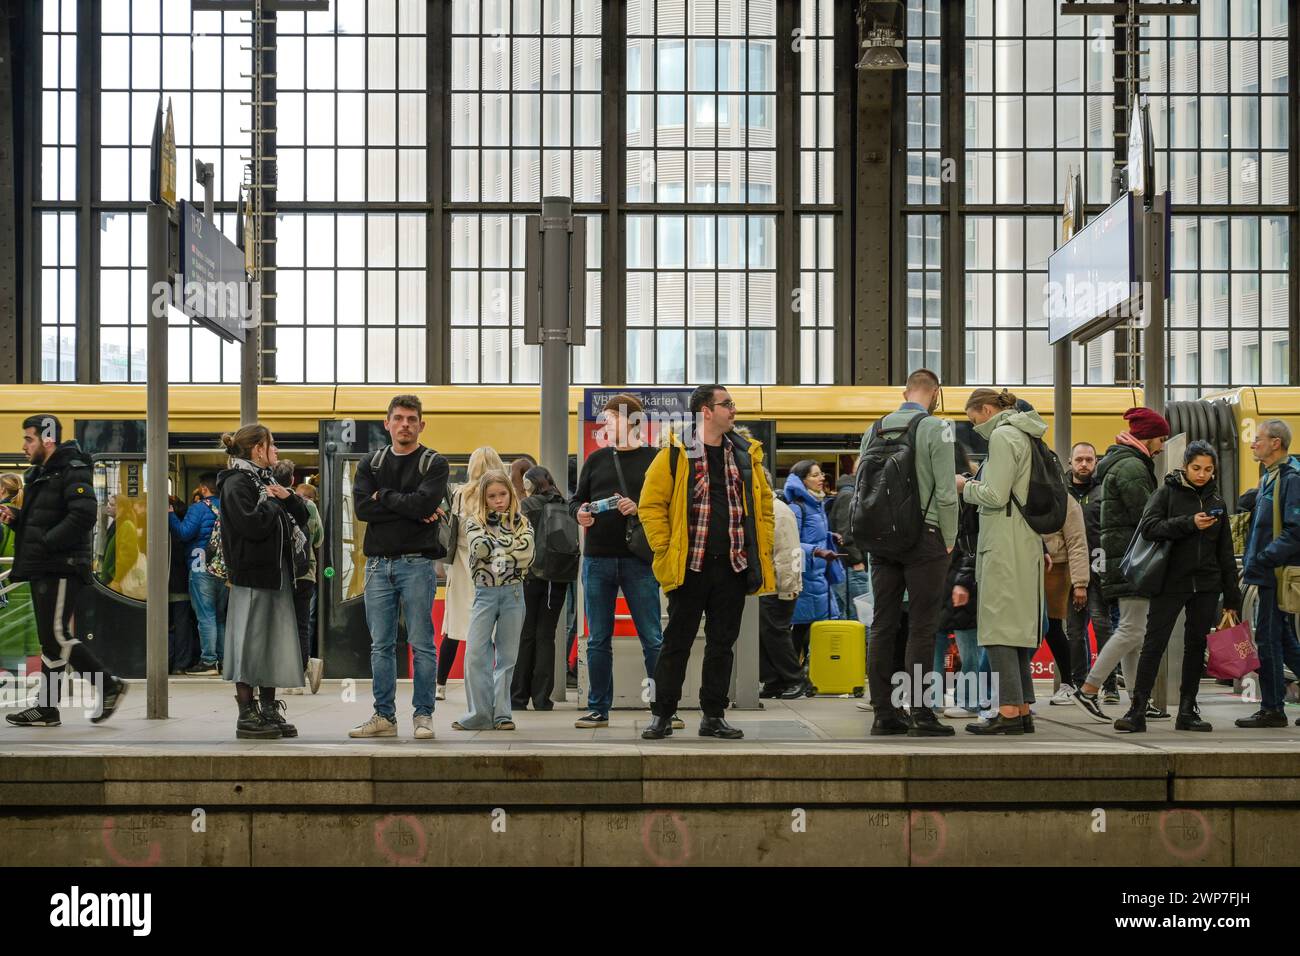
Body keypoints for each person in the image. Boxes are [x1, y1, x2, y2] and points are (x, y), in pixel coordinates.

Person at [638, 384, 775, 740]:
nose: (733, 409)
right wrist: (665, 549)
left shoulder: (746, 455)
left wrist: (762, 548)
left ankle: (713, 715)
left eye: (732, 403)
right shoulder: (676, 454)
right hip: (690, 566)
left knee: (721, 645)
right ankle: (663, 714)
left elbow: (763, 508)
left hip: (732, 566)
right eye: (726, 404)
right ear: (705, 411)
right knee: (676, 643)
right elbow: (650, 506)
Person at [3, 415, 129, 727]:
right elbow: (48, 517)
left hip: (60, 566)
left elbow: (84, 514)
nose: (23, 446)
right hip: (44, 565)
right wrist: (17, 519)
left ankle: (108, 684)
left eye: (29, 439)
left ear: (48, 439)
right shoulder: (43, 474)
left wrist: (46, 543)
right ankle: (47, 708)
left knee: (57, 634)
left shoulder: (72, 468)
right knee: (50, 640)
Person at [1114, 441, 1242, 732]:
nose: (1202, 474)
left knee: (1196, 646)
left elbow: (1225, 551)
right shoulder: (1166, 493)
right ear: (1185, 466)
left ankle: (1187, 710)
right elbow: (1149, 528)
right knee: (1154, 643)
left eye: (1208, 469)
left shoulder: (1217, 501)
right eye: (1197, 468)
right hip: (1170, 581)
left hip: (1207, 584)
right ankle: (1137, 709)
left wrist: (1231, 596)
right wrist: (1189, 523)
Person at [858, 368, 958, 738]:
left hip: (881, 540)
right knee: (922, 626)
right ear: (935, 394)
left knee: (883, 625)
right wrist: (949, 537)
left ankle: (883, 713)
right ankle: (920, 712)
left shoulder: (875, 428)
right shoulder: (937, 427)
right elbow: (947, 491)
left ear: (905, 392)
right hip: (925, 536)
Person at [347, 395, 449, 740]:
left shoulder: (434, 463)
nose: (405, 424)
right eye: (399, 418)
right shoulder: (370, 463)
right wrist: (408, 507)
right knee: (381, 645)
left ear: (421, 424)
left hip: (417, 564)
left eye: (411, 419)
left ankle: (423, 715)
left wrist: (383, 497)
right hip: (378, 565)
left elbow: (425, 502)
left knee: (422, 643)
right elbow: (363, 510)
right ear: (387, 423)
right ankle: (384, 716)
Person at [570, 393, 666, 729]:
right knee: (598, 638)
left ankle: (663, 708)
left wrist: (638, 508)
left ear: (634, 421)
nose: (605, 425)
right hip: (597, 558)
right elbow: (576, 500)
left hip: (639, 559)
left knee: (652, 637)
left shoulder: (657, 460)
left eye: (611, 419)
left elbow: (667, 505)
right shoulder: (596, 461)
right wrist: (579, 514)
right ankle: (598, 708)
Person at [1070, 407, 1171, 723]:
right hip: (1133, 560)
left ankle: (1137, 702)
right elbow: (1147, 514)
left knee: (1133, 633)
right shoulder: (1131, 467)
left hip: (1122, 558)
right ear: (1148, 437)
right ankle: (1088, 689)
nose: (1163, 445)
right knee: (1130, 630)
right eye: (1161, 438)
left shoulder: (1126, 462)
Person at [956, 389, 1048, 735]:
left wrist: (964, 486)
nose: (974, 425)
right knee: (1017, 630)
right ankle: (1022, 707)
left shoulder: (1003, 436)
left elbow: (994, 495)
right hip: (1022, 540)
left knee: (998, 629)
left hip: (1004, 542)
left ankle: (1008, 711)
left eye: (974, 418)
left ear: (988, 409)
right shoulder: (1025, 433)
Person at [215, 424, 312, 740]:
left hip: (276, 576)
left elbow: (300, 516)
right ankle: (247, 711)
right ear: (258, 449)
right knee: (249, 643)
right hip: (253, 576)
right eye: (272, 445)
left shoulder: (266, 481)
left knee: (271, 643)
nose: (277, 451)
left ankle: (268, 709)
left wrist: (287, 498)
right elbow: (251, 524)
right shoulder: (236, 483)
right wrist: (273, 503)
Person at [452, 470, 535, 731]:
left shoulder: (524, 522)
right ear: (484, 499)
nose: (498, 500)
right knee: (476, 653)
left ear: (511, 495)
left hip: (514, 593)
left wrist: (497, 545)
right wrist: (511, 546)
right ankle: (479, 713)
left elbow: (529, 555)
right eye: (492, 496)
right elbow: (479, 549)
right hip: (484, 594)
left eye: (502, 494)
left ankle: (502, 714)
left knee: (508, 657)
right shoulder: (473, 522)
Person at [1237, 419, 1300, 728]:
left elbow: (1294, 530)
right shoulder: (1269, 477)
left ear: (1276, 443)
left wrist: (1263, 558)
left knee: (1269, 640)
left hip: (1275, 574)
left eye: (1258, 439)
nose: (1253, 443)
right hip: (1267, 573)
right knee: (1285, 642)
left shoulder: (1290, 478)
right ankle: (1273, 705)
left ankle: (1273, 708)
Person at [439, 445, 505, 701]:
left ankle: (440, 686)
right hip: (490, 567)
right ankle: (487, 685)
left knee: (454, 626)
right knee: (490, 629)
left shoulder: (459, 494)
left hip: (460, 566)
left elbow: (455, 531)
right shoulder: (500, 495)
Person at [1064, 442, 1119, 703]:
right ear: (1070, 461)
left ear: (1095, 462)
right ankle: (1079, 684)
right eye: (1079, 459)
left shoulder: (1104, 490)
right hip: (1068, 569)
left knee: (1102, 626)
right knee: (1074, 632)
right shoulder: (1061, 490)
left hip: (1099, 569)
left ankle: (1109, 685)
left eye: (1088, 459)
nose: (1084, 464)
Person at [512, 465, 570, 711]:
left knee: (526, 634)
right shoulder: (565, 505)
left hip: (531, 575)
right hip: (557, 578)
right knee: (547, 634)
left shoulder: (527, 505)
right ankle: (542, 698)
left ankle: (518, 696)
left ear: (531, 484)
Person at [783, 460, 844, 677]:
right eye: (815, 475)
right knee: (801, 628)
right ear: (802, 480)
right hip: (805, 575)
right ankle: (793, 675)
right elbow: (791, 541)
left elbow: (812, 535)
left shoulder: (816, 504)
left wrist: (830, 537)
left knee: (813, 629)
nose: (821, 479)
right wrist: (817, 551)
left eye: (821, 474)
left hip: (819, 575)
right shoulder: (797, 507)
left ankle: (810, 674)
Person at [273, 462, 325, 696]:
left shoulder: (269, 502)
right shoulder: (308, 506)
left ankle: (279, 674)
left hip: (277, 574)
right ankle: (298, 676)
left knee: (279, 625)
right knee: (301, 624)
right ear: (292, 480)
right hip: (305, 571)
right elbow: (318, 539)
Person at [935, 447, 980, 719]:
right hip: (954, 575)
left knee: (962, 641)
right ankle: (964, 698)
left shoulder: (964, 491)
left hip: (954, 575)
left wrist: (962, 579)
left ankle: (964, 700)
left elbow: (970, 540)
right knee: (965, 642)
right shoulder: (970, 488)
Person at [168, 472, 227, 677]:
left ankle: (208, 661)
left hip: (200, 566)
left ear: (204, 489)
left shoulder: (199, 508)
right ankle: (223, 660)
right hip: (223, 569)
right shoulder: (227, 507)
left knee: (206, 616)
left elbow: (184, 532)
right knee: (220, 617)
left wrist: (171, 515)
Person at [759, 469, 807, 699]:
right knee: (765, 634)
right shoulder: (764, 509)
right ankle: (773, 680)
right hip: (765, 584)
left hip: (778, 585)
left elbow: (788, 553)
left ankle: (795, 679)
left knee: (776, 633)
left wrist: (787, 588)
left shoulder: (778, 511)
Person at [1043, 490, 1090, 704]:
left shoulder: (1066, 500)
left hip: (1057, 568)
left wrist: (1080, 583)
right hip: (1028, 565)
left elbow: (1077, 542)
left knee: (1052, 627)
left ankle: (1068, 683)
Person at [827, 464, 870, 622]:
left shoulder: (854, 493)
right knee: (860, 617)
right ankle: (859, 647)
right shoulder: (849, 495)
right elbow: (845, 532)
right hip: (852, 568)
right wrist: (857, 561)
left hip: (850, 566)